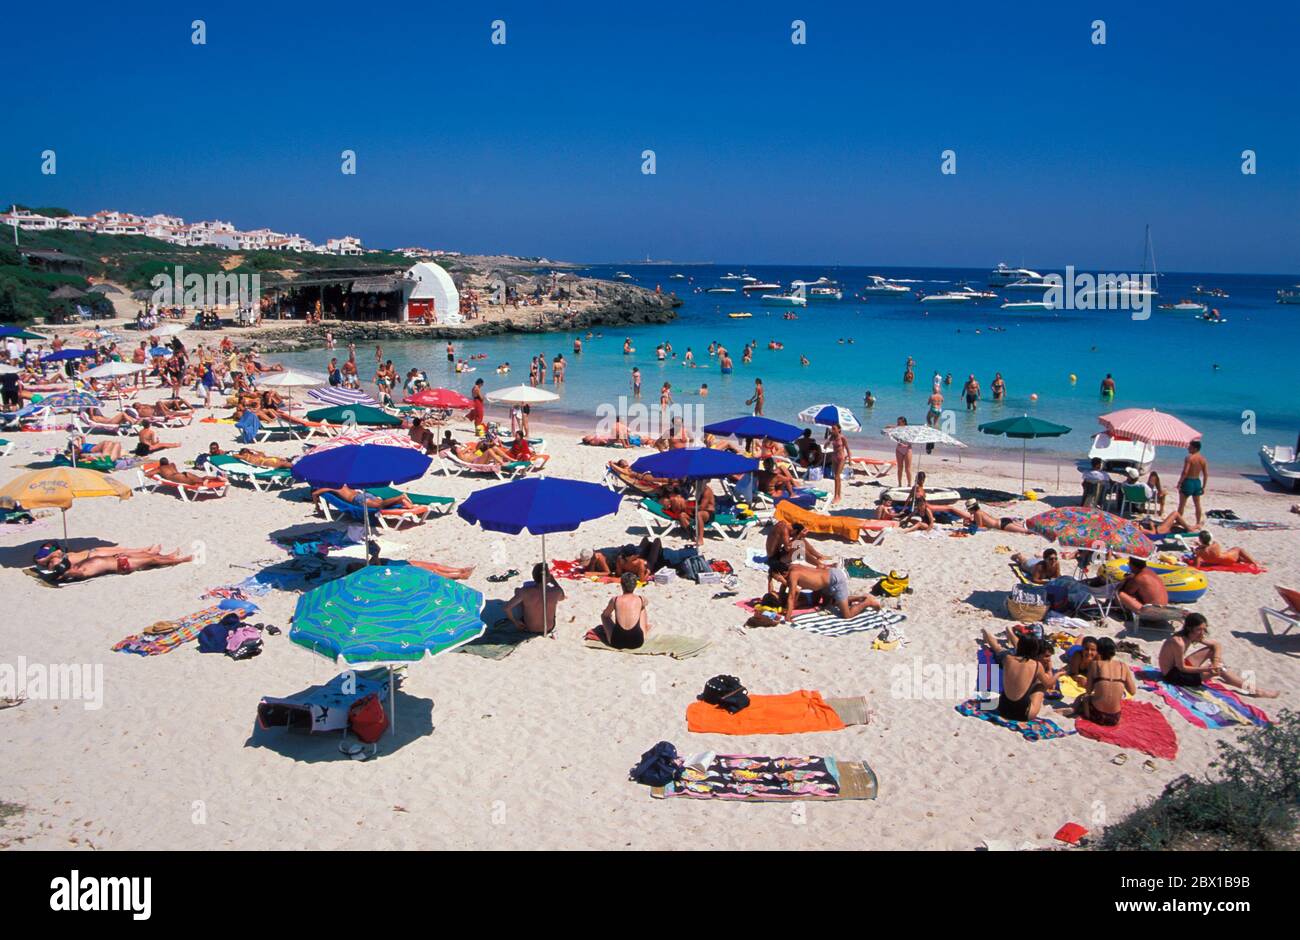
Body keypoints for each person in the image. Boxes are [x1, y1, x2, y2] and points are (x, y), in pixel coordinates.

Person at [1158, 614, 1278, 696]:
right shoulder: (1178, 642)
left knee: (1213, 654)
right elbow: (1182, 668)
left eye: (1204, 629)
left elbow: (1216, 645)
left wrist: (1215, 663)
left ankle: (1225, 674)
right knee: (1220, 670)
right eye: (1199, 629)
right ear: (1190, 628)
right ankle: (1255, 691)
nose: (1202, 633)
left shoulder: (1192, 635)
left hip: (1178, 667)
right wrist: (1208, 669)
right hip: (1173, 675)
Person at [32, 541, 193, 583]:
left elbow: (64, 568)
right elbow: (71, 573)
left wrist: (62, 568)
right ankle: (178, 560)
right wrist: (64, 572)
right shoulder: (80, 571)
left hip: (116, 560)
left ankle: (171, 557)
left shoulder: (76, 566)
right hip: (121, 565)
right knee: (151, 559)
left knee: (150, 558)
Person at [982, 632, 1056, 721]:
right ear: (1036, 650)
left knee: (998, 649)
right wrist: (1053, 671)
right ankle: (1008, 632)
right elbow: (1049, 685)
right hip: (1023, 715)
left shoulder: (1007, 658)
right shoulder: (1036, 665)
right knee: (1041, 685)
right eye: (1047, 656)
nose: (1048, 659)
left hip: (1002, 709)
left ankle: (989, 632)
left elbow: (1020, 651)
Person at [1063, 637, 1136, 725]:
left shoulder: (1095, 664)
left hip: (1097, 716)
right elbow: (1132, 691)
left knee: (1084, 697)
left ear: (1099, 651)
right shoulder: (1123, 666)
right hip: (1115, 718)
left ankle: (1074, 709)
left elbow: (1088, 690)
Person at [784, 563, 879, 620]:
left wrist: (788, 617)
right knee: (826, 604)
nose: (778, 580)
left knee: (847, 615)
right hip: (826, 579)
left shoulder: (793, 575)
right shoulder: (792, 567)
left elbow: (792, 596)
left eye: (777, 578)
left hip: (835, 579)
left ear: (782, 573)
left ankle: (868, 602)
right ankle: (859, 598)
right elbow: (788, 590)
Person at [504, 563, 566, 635]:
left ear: (533, 577)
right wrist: (554, 582)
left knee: (518, 594)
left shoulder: (524, 592)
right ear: (548, 577)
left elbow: (506, 608)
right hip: (548, 628)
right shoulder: (556, 591)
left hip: (529, 628)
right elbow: (562, 597)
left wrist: (516, 622)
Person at [594, 572, 651, 649]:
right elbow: (646, 602)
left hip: (616, 642)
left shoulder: (615, 599)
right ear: (635, 585)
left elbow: (605, 615)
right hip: (637, 642)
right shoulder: (640, 599)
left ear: (621, 585)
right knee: (642, 607)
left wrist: (610, 615)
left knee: (604, 616)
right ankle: (644, 629)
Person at [948, 499, 1031, 533]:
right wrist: (971, 522)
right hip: (1003, 520)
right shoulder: (979, 511)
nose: (968, 511)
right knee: (1027, 528)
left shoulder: (977, 513)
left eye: (968, 509)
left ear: (971, 508)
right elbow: (982, 522)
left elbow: (981, 527)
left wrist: (969, 525)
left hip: (1002, 525)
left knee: (1027, 532)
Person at [1176, 440, 1208, 527]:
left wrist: (1179, 482)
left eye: (1190, 447)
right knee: (1197, 504)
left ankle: (1178, 521)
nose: (1188, 448)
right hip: (1197, 482)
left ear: (1195, 448)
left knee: (1182, 504)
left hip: (1188, 481)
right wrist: (1203, 486)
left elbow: (1185, 472)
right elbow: (1205, 474)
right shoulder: (1203, 459)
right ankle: (1198, 522)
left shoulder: (1189, 458)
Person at [1191, 530, 1260, 568]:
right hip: (1228, 559)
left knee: (1237, 556)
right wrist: (1201, 545)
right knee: (1238, 549)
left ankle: (1249, 561)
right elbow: (1208, 547)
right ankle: (1254, 563)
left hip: (1216, 562)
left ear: (1200, 540)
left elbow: (1197, 566)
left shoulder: (1199, 552)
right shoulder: (1215, 545)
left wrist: (1196, 550)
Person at [891, 417, 913, 486]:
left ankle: (909, 484)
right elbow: (887, 428)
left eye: (899, 422)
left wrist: (907, 443)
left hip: (907, 449)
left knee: (907, 469)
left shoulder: (909, 430)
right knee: (900, 468)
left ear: (904, 423)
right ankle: (899, 484)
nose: (898, 424)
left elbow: (912, 439)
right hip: (899, 449)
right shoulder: (896, 430)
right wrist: (895, 427)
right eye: (897, 422)